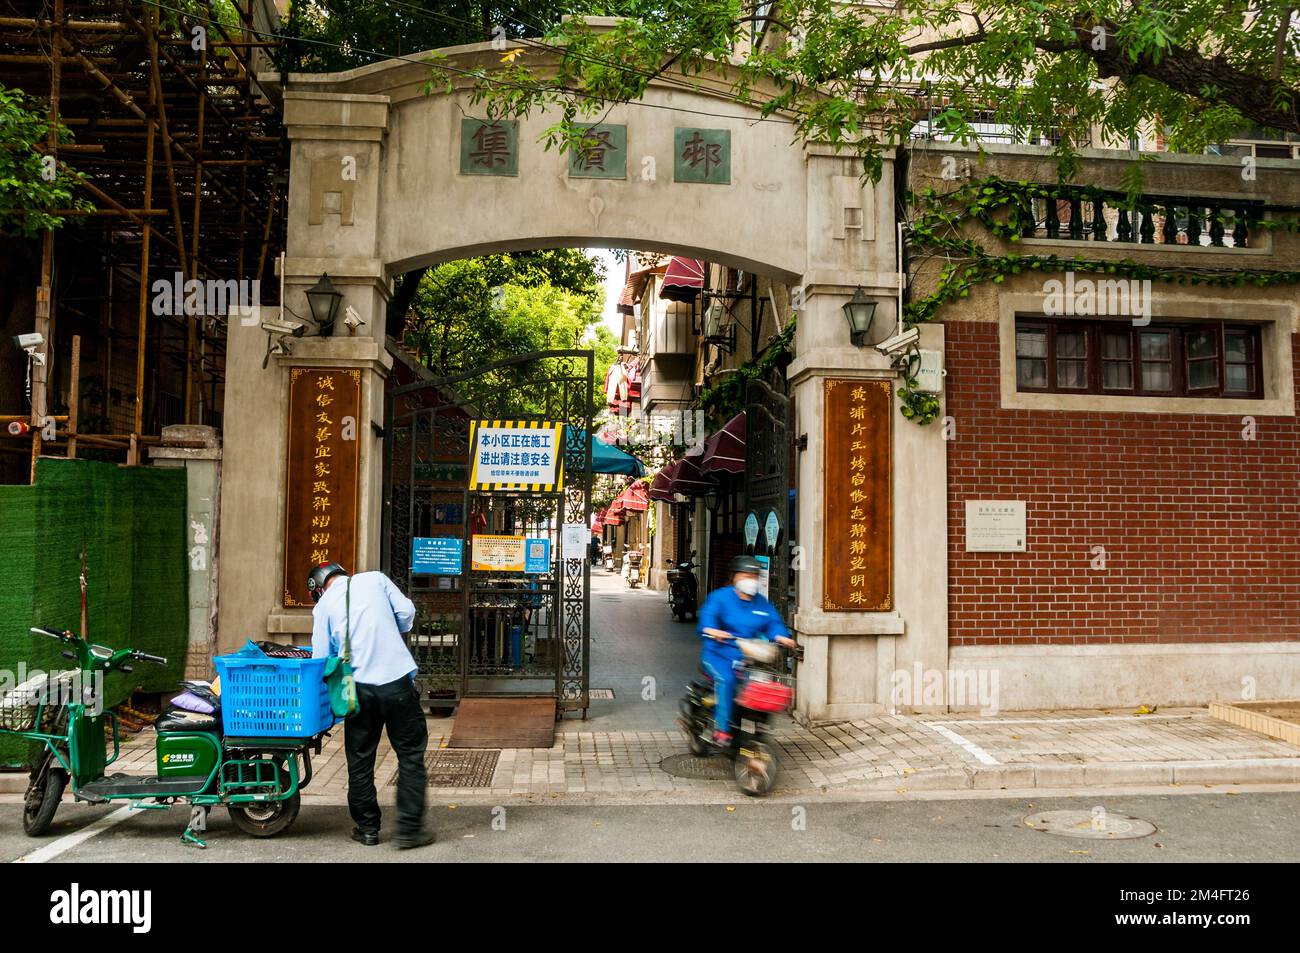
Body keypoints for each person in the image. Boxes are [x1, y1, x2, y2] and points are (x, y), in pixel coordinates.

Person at [308, 562, 434, 849]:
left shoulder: (324, 605)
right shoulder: (376, 579)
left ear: (318, 588)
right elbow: (407, 613)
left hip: (358, 688)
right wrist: (387, 626)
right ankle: (409, 831)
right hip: (397, 681)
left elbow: (320, 656)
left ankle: (367, 829)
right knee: (411, 755)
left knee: (360, 758)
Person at [696, 555, 797, 745]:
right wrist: (712, 630)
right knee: (728, 680)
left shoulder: (761, 603)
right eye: (745, 576)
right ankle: (722, 730)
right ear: (735, 577)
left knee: (760, 686)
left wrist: (782, 636)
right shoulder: (720, 597)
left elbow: (773, 623)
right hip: (718, 654)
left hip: (747, 658)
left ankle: (755, 729)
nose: (750, 580)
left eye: (754, 576)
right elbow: (707, 620)